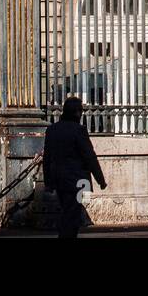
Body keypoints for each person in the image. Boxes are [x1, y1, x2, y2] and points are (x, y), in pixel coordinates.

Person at [42, 95, 107, 238]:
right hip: (78, 182)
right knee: (74, 213)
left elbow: (46, 158)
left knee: (66, 209)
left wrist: (48, 182)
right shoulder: (79, 130)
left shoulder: (52, 130)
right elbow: (90, 157)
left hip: (58, 179)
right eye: (81, 112)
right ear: (77, 112)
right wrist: (100, 180)